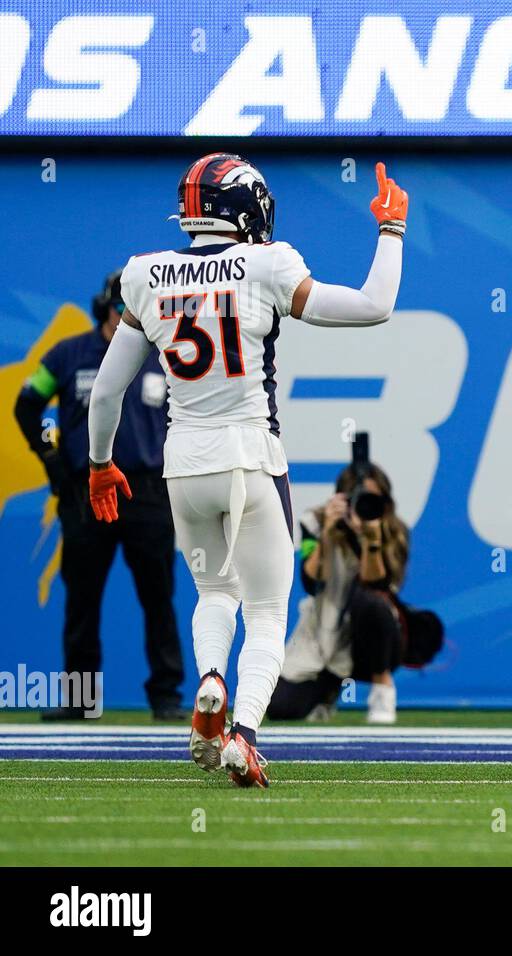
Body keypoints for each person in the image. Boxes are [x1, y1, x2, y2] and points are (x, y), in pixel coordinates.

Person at [85, 153, 408, 787]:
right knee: (265, 610)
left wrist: (100, 465)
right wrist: (391, 229)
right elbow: (374, 306)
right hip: (251, 457)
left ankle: (210, 679)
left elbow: (105, 394)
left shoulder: (145, 274)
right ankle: (245, 736)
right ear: (245, 207)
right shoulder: (267, 264)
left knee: (214, 593)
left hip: (183, 464)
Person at [13, 269, 184, 720]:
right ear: (104, 308)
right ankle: (79, 700)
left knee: (159, 595)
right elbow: (28, 404)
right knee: (82, 598)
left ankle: (166, 696)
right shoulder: (68, 355)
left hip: (147, 491)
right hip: (85, 492)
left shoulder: (166, 356)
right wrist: (51, 458)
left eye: (135, 309)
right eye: (120, 308)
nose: (126, 317)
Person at [269, 449, 437, 726]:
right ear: (340, 499)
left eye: (373, 500)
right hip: (324, 632)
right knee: (281, 707)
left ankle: (382, 689)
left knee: (369, 600)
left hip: (373, 637)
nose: (364, 505)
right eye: (357, 499)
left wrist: (370, 538)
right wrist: (327, 535)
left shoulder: (395, 530)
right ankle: (327, 690)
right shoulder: (316, 523)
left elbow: (380, 585)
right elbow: (311, 583)